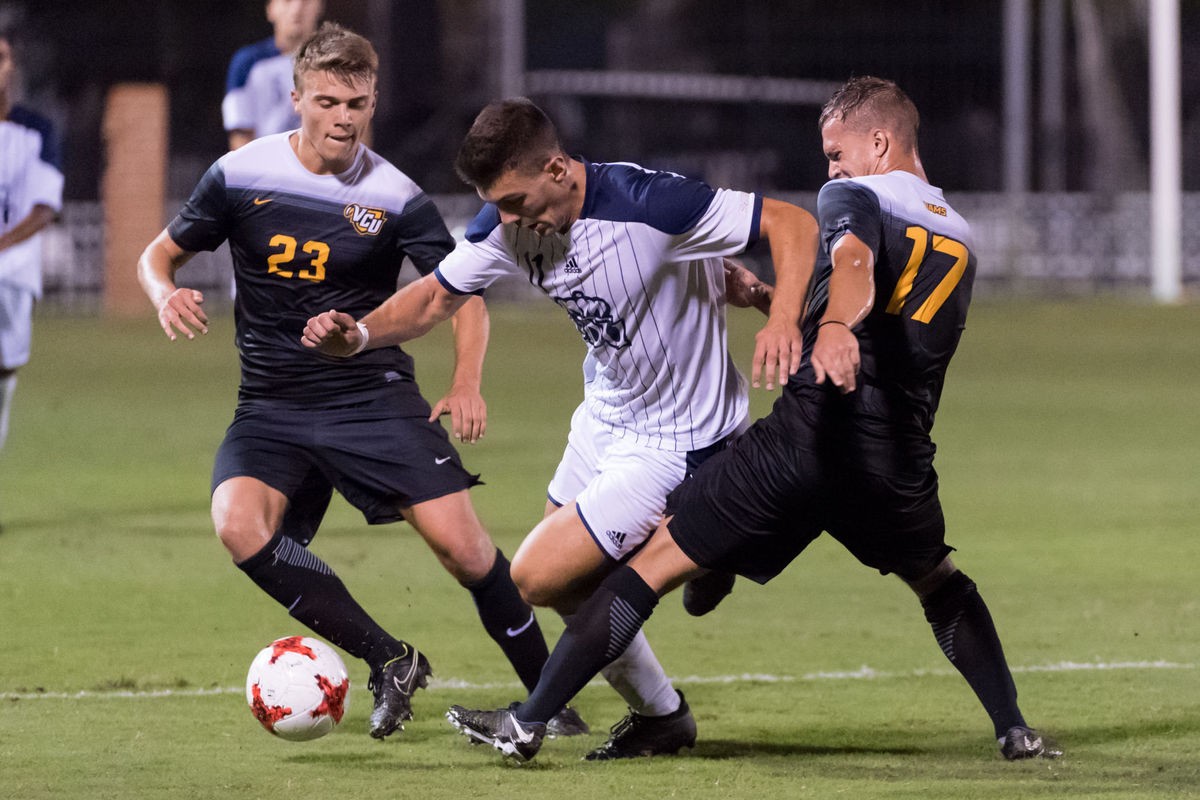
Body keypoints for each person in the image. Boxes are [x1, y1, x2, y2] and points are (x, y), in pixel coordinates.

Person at [441, 77, 1061, 763]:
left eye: (837, 151)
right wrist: (771, 300)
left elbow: (850, 267)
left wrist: (829, 323)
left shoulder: (855, 195)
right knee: (939, 580)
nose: (830, 168)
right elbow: (888, 342)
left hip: (809, 439)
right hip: (897, 458)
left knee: (650, 563)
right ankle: (1013, 728)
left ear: (879, 142)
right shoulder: (959, 233)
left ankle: (531, 721)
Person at [302, 97, 818, 759]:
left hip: (678, 439)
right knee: (571, 586)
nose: (509, 219)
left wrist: (781, 318)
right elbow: (436, 295)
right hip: (605, 415)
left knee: (537, 577)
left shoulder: (646, 201)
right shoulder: (509, 222)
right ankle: (663, 714)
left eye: (516, 201)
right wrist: (364, 334)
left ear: (557, 168)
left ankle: (710, 542)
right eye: (498, 205)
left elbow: (793, 223)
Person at [136, 24, 583, 741]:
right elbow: (156, 257)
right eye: (329, 101)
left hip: (369, 399)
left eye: (359, 102)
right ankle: (390, 660)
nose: (345, 117)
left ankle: (551, 700)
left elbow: (461, 296)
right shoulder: (241, 173)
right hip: (272, 405)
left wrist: (466, 381)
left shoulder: (395, 196)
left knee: (467, 554)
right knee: (238, 527)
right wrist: (165, 294)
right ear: (296, 100)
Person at [0, 29, 64, 498]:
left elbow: (43, 209)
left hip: (12, 272)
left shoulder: (37, 129)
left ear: (11, 67)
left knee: (3, 376)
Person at [223, 0, 324, 151]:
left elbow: (357, 128)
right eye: (287, 1)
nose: (297, 9)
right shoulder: (247, 63)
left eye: (306, 1)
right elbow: (239, 136)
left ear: (319, 7)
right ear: (270, 9)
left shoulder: (339, 63)